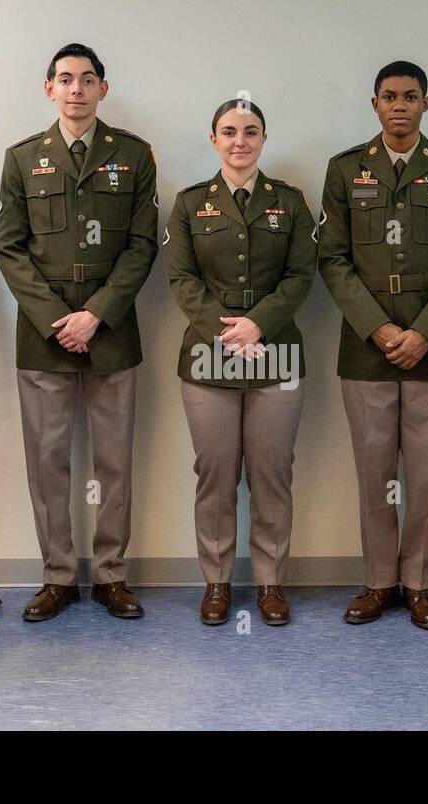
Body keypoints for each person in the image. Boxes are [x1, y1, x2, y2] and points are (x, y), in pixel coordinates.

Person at [0, 43, 158, 621]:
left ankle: (112, 575)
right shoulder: (22, 158)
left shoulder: (134, 155)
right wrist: (56, 319)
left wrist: (96, 314)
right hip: (44, 338)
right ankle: (58, 576)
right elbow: (11, 251)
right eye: (65, 79)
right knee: (48, 462)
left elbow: (143, 247)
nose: (76, 89)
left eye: (88, 79)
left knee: (114, 463)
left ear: (102, 89)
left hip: (111, 333)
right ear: (49, 89)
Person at [319, 61, 428, 630]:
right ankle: (379, 581)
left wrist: (423, 332)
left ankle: (419, 584)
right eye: (390, 96)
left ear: (426, 104)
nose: (400, 105)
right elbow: (332, 260)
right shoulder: (344, 170)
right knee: (374, 472)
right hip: (367, 350)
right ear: (375, 103)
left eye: (411, 97)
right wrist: (381, 330)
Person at [164, 98, 316, 626]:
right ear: (213, 140)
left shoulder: (291, 202)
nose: (239, 141)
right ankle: (217, 582)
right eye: (228, 131)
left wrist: (259, 325)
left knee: (273, 473)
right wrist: (229, 331)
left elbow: (300, 277)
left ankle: (272, 582)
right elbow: (181, 280)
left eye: (250, 132)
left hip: (277, 356)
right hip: (209, 357)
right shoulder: (189, 204)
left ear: (263, 139)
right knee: (216, 473)